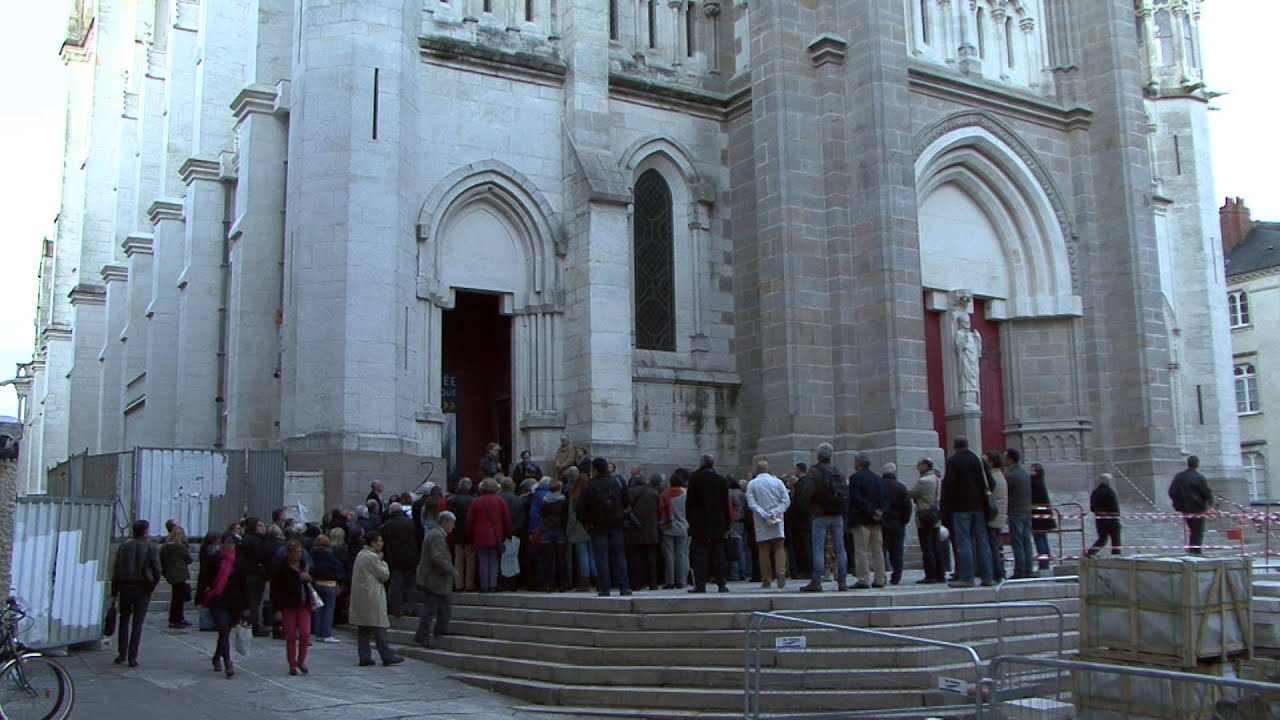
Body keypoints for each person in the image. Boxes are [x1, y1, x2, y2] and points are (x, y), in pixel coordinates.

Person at [940, 436, 994, 588]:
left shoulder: (954, 461)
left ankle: (967, 577)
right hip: (979, 507)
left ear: (955, 446)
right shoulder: (978, 460)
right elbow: (991, 483)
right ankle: (987, 576)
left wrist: (945, 508)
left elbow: (948, 486)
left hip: (961, 507)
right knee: (982, 541)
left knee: (964, 542)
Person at [576, 457, 632, 597]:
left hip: (598, 525)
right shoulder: (617, 482)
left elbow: (580, 509)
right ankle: (624, 587)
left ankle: (605, 587)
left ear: (594, 470)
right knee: (619, 556)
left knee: (601, 557)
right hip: (617, 524)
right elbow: (627, 502)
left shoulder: (590, 485)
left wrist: (587, 524)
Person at [110, 519, 161, 667]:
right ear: (145, 531)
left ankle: (121, 653)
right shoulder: (151, 547)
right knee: (137, 623)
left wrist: (114, 591)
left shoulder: (124, 547)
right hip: (143, 587)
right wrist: (152, 585)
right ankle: (133, 656)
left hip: (125, 586)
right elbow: (157, 570)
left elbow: (116, 569)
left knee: (124, 620)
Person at [349, 531, 404, 667]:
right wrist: (383, 562)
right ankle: (387, 655)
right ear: (372, 543)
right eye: (379, 541)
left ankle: (365, 656)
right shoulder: (372, 557)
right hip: (372, 595)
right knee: (378, 626)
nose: (381, 544)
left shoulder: (361, 554)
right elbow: (384, 575)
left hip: (361, 595)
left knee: (364, 628)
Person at [199, 532, 249, 678]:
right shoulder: (215, 559)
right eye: (226, 542)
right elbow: (205, 578)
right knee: (223, 629)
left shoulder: (239, 562)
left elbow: (244, 585)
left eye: (231, 542)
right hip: (218, 600)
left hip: (235, 602)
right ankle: (228, 661)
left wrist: (247, 606)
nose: (229, 545)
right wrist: (202, 598)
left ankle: (216, 656)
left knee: (225, 632)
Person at [800, 444, 848, 592]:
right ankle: (842, 581)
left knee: (818, 548)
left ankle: (816, 581)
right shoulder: (838, 472)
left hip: (820, 514)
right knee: (840, 548)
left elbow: (807, 494)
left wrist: (809, 508)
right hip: (837, 514)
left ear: (819, 455)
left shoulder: (814, 471)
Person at [686, 454, 731, 594]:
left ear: (702, 463)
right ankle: (722, 583)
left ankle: (700, 584)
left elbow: (690, 503)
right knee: (719, 554)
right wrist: (727, 524)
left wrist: (691, 520)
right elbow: (725, 504)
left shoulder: (695, 478)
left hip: (700, 522)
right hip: (718, 522)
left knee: (700, 554)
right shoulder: (721, 480)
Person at [270, 539, 314, 675]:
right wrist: (276, 609)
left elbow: (312, 583)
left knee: (305, 634)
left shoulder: (304, 566)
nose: (298, 555)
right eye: (295, 552)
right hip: (288, 606)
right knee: (290, 636)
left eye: (300, 552)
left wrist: (309, 578)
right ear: (288, 553)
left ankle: (301, 660)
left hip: (304, 604)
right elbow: (275, 590)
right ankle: (292, 663)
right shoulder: (281, 568)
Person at [745, 460, 790, 589]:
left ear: (756, 470)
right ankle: (781, 571)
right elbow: (786, 500)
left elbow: (752, 503)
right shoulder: (778, 482)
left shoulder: (752, 484)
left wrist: (764, 514)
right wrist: (775, 512)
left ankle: (766, 579)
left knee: (763, 550)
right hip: (777, 519)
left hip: (761, 521)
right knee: (779, 547)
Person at [415, 511, 457, 647]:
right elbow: (437, 556)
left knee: (445, 606)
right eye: (452, 523)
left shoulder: (436, 534)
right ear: (445, 522)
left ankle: (440, 629)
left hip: (437, 579)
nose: (453, 526)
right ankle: (422, 636)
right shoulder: (436, 535)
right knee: (430, 609)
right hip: (434, 579)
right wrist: (451, 569)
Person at [847, 453, 886, 590]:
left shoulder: (855, 478)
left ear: (859, 463)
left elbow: (856, 499)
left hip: (862, 519)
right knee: (877, 550)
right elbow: (883, 498)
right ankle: (880, 578)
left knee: (861, 550)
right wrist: (879, 512)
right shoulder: (878, 479)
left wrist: (871, 511)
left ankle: (863, 579)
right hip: (877, 520)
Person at [468, 478, 512, 593]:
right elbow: (506, 519)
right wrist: (507, 533)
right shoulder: (500, 501)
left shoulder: (476, 501)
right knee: (494, 560)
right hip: (495, 534)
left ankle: (484, 585)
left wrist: (471, 533)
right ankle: (493, 584)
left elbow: (470, 520)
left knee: (482, 560)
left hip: (480, 534)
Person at [1169, 455, 1214, 555]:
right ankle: (1195, 552)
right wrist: (1210, 502)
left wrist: (1178, 502)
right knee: (1197, 531)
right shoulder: (1199, 477)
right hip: (1197, 508)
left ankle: (1192, 551)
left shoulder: (1179, 477)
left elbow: (1172, 492)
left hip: (1184, 508)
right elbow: (1206, 493)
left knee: (1193, 529)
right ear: (1197, 464)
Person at [380, 502, 420, 615]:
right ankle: (411, 607)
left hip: (395, 558)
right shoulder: (410, 522)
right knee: (411, 585)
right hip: (411, 557)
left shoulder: (387, 525)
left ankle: (396, 608)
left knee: (396, 583)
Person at [908, 458, 943, 584]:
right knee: (936, 546)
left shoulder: (923, 481)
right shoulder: (937, 479)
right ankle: (940, 574)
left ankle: (930, 575)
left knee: (927, 547)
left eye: (919, 465)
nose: (917, 467)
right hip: (936, 515)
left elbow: (911, 493)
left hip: (925, 515)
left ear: (925, 466)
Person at [626, 473, 662, 591]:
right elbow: (659, 512)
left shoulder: (630, 492)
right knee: (651, 557)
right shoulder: (654, 492)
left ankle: (637, 583)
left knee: (636, 557)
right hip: (651, 530)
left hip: (635, 529)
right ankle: (653, 583)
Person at [1004, 449, 1035, 579]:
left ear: (1011, 459)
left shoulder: (1010, 475)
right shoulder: (1024, 473)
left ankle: (1020, 569)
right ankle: (1029, 568)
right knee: (1026, 540)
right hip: (1026, 511)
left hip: (1015, 512)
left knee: (1017, 541)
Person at [566, 467, 597, 591]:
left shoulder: (574, 496)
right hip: (591, 527)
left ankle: (584, 580)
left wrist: (568, 530)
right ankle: (596, 578)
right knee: (592, 554)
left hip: (578, 528)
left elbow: (572, 515)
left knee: (582, 554)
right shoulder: (592, 493)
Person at [881, 464, 912, 586]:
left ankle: (881, 575)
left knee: (881, 549)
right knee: (897, 550)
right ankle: (896, 576)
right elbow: (907, 506)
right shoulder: (900, 487)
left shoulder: (879, 485)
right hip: (898, 522)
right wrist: (904, 520)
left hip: (882, 521)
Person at [660, 470, 691, 589]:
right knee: (682, 554)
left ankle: (670, 581)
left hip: (669, 526)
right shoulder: (686, 494)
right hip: (684, 526)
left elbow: (662, 511)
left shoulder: (664, 494)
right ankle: (682, 580)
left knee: (669, 554)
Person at [310, 534, 344, 643]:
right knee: (329, 609)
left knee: (319, 609)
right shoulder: (330, 556)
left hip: (317, 583)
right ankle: (326, 634)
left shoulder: (313, 554)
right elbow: (338, 568)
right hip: (329, 584)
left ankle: (319, 633)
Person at [538, 479, 570, 591]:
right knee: (561, 558)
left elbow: (541, 515)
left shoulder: (544, 501)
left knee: (548, 559)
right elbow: (566, 516)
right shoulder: (563, 501)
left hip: (547, 530)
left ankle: (550, 584)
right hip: (560, 529)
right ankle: (563, 583)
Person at [448, 478, 477, 591]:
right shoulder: (473, 500)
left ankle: (458, 584)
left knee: (458, 559)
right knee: (470, 559)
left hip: (456, 532)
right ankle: (469, 584)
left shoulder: (452, 500)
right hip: (469, 532)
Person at [161, 527, 193, 628]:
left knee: (176, 597)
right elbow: (189, 560)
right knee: (179, 599)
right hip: (180, 574)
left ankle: (176, 618)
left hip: (170, 574)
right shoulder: (181, 547)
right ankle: (177, 619)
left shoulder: (165, 547)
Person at [984, 451, 1008, 583]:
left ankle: (997, 572)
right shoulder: (999, 475)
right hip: (998, 516)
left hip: (994, 516)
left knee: (993, 546)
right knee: (996, 545)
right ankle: (999, 572)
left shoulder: (994, 477)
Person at [785, 463, 812, 579]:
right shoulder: (808, 482)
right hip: (806, 520)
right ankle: (806, 569)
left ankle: (805, 570)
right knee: (804, 546)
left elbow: (799, 503)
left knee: (802, 547)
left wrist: (791, 512)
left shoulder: (801, 483)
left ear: (798, 470)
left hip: (800, 521)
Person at [1087, 473, 1123, 557]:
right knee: (1115, 539)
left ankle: (1090, 553)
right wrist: (1117, 516)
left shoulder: (1095, 492)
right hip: (1112, 520)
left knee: (1102, 539)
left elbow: (1092, 508)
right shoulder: (1110, 492)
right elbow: (1114, 507)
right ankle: (1116, 556)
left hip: (1099, 520)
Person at [1030, 462, 1056, 570]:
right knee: (1043, 538)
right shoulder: (1040, 481)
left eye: (1031, 470)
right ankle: (1046, 561)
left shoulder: (1034, 482)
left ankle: (1043, 563)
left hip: (1037, 516)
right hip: (1044, 514)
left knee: (1039, 538)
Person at [727, 478, 749, 581]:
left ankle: (735, 573)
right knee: (742, 548)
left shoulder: (731, 493)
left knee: (735, 547)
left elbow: (737, 505)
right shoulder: (743, 494)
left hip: (735, 522)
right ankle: (742, 571)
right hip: (742, 522)